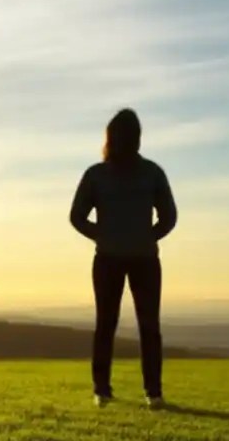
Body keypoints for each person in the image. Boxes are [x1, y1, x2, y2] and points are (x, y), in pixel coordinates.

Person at [69, 108, 177, 409]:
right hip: (137, 258)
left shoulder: (99, 174)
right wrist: (145, 236)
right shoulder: (147, 172)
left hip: (114, 258)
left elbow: (77, 218)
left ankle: (103, 390)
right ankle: (151, 392)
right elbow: (169, 217)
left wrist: (104, 235)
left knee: (109, 324)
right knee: (146, 326)